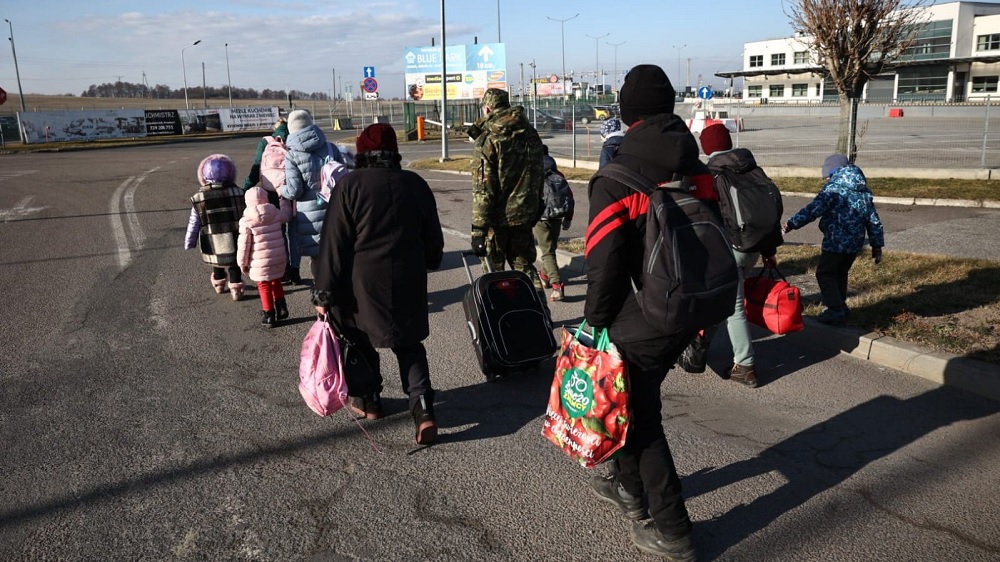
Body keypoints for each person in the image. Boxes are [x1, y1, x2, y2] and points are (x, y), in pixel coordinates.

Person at [584, 64, 702, 561]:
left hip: (644, 314)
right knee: (634, 403)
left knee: (639, 418)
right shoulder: (696, 165)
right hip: (694, 306)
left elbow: (606, 266)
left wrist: (592, 324)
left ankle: (672, 531)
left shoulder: (616, 178)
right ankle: (627, 488)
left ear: (626, 113)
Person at [312, 123, 445, 445]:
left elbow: (334, 243)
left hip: (360, 281)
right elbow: (432, 237)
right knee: (409, 344)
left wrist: (324, 291)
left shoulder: (349, 186)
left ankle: (370, 401)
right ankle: (423, 407)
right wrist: (431, 260)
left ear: (361, 152)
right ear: (394, 152)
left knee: (358, 338)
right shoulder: (415, 183)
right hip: (407, 276)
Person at [677, 123, 783, 388]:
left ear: (706, 147)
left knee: (733, 307)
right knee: (722, 300)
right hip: (754, 247)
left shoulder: (710, 173)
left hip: (729, 248)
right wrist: (769, 251)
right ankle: (700, 346)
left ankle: (745, 366)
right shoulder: (751, 168)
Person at [783, 154, 885, 325]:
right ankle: (841, 305)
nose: (827, 179)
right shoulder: (863, 191)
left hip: (835, 241)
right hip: (855, 243)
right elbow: (873, 220)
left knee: (825, 274)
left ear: (834, 172)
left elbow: (812, 211)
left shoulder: (832, 190)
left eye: (828, 175)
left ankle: (834, 310)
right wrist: (876, 245)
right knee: (840, 273)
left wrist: (790, 224)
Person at [468, 88, 545, 288]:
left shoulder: (489, 139)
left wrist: (478, 230)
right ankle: (541, 316)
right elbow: (538, 171)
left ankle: (501, 318)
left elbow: (483, 189)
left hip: (497, 221)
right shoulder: (530, 133)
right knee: (526, 270)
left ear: (487, 108)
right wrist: (537, 205)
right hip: (525, 215)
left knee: (494, 278)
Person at [280, 109, 344, 285]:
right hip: (334, 209)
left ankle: (323, 294)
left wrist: (281, 189)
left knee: (316, 257)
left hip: (308, 215)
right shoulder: (331, 147)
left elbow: (294, 191)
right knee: (334, 253)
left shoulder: (292, 155)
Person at [184, 154, 246, 301]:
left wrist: (190, 241)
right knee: (234, 262)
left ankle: (219, 284)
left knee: (216, 261)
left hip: (212, 238)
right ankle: (236, 286)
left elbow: (194, 222)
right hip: (235, 236)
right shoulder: (239, 193)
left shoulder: (200, 197)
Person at [237, 186, 293, 328]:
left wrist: (242, 263)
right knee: (275, 280)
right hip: (278, 257)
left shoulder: (246, 220)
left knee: (264, 285)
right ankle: (281, 307)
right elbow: (287, 216)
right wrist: (284, 201)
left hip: (259, 261)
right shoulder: (274, 212)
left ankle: (269, 314)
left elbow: (244, 245)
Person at [534, 145, 575, 302]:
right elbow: (569, 196)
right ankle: (544, 276)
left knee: (547, 252)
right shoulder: (557, 173)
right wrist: (568, 218)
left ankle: (557, 286)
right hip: (558, 215)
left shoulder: (533, 173)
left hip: (541, 217)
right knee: (550, 248)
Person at [242, 114, 289, 191]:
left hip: (269, 188)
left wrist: (245, 187)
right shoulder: (293, 141)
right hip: (289, 188)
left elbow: (257, 167)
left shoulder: (266, 141)